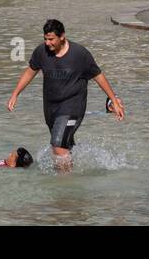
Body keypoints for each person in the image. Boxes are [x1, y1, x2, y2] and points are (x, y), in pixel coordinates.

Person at [7, 19, 124, 170]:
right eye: (45, 39)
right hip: (50, 108)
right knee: (64, 146)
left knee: (57, 144)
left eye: (51, 39)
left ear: (62, 36)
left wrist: (113, 100)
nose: (47, 43)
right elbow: (30, 71)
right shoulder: (41, 52)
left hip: (72, 107)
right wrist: (15, 94)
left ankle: (65, 187)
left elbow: (98, 76)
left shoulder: (80, 54)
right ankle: (73, 181)